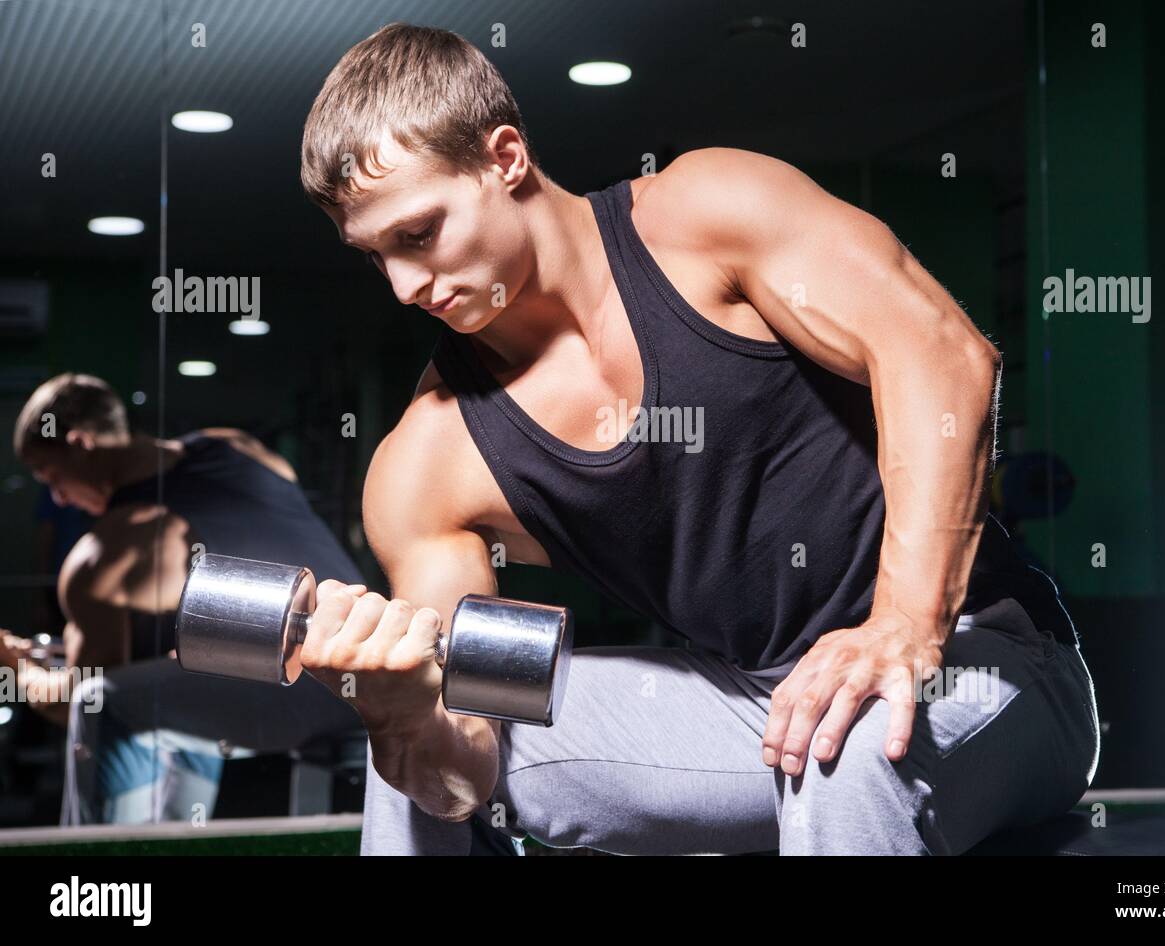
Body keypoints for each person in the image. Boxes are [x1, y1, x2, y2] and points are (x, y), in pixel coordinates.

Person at [294, 23, 1102, 855]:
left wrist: (903, 623)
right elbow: (458, 776)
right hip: (754, 710)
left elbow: (943, 355)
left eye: (419, 234)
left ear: (505, 159)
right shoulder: (427, 463)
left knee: (849, 749)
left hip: (977, 662)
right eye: (375, 255)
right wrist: (400, 721)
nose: (403, 285)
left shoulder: (705, 216)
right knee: (431, 739)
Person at [2, 373, 364, 824]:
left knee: (107, 700)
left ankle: (101, 881)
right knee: (181, 672)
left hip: (305, 693)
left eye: (52, 477)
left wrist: (15, 668)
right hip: (365, 675)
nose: (58, 498)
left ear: (79, 443)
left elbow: (73, 702)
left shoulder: (111, 550)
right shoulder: (235, 445)